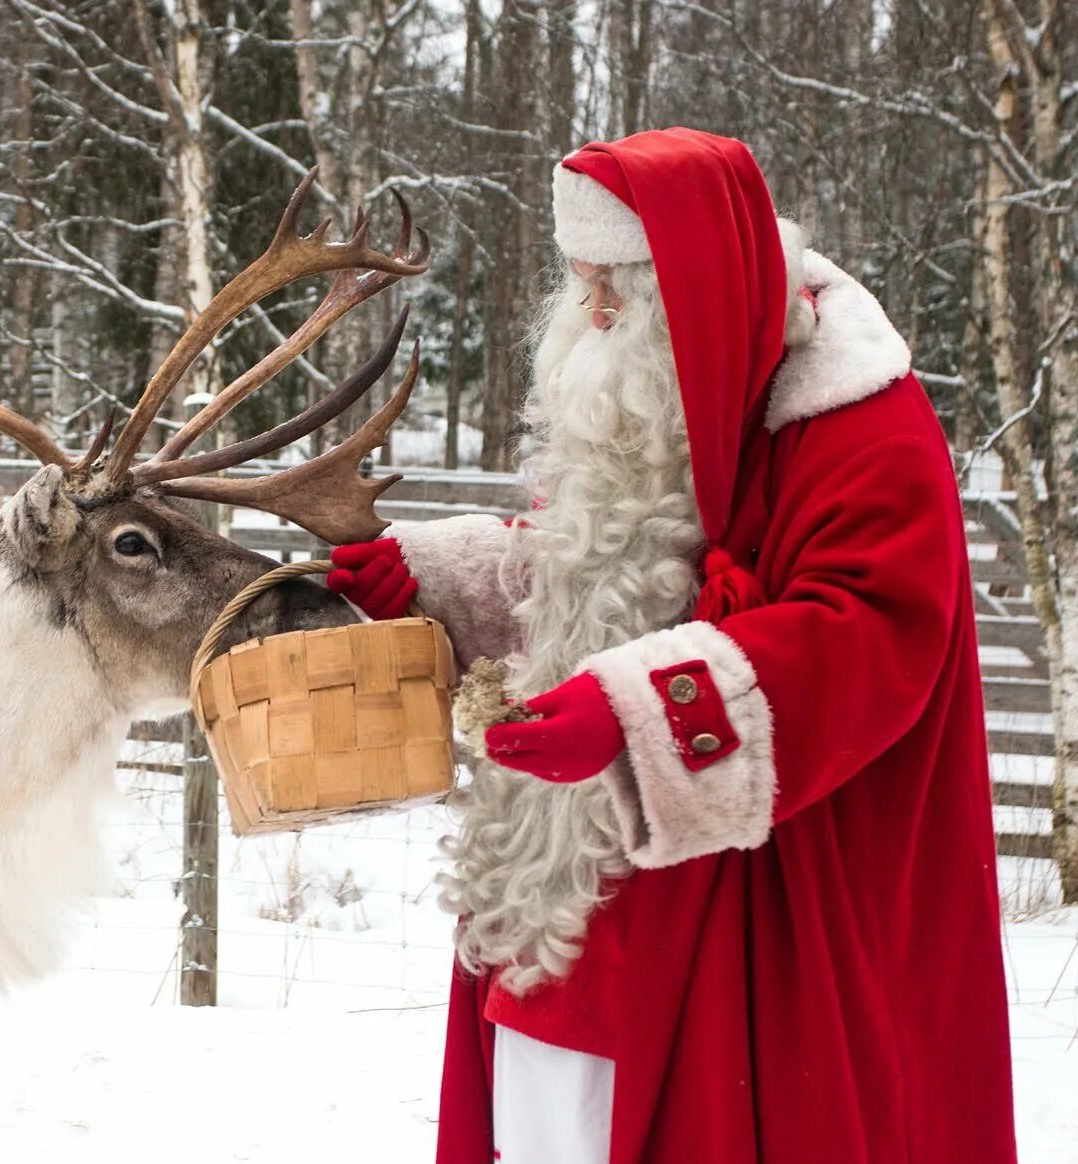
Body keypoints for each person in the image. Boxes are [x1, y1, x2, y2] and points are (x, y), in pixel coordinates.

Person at [327, 128, 1016, 1163]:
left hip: (766, 904)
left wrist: (641, 710)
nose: (591, 314)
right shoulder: (659, 388)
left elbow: (869, 638)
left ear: (698, 286)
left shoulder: (861, 425)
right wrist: (446, 578)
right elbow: (610, 563)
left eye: (617, 287)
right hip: (573, 887)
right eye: (579, 283)